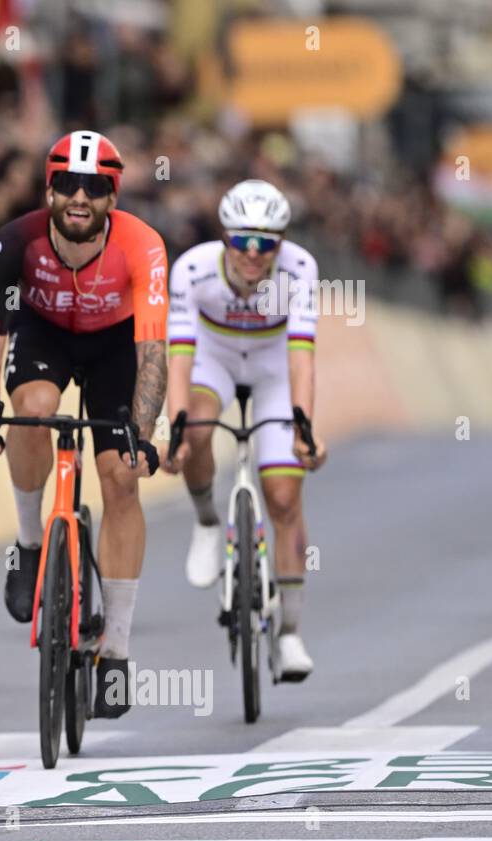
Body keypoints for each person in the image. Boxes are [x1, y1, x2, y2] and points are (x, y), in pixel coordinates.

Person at [0, 130, 168, 718]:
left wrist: (143, 435)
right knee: (30, 410)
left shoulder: (144, 245)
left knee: (121, 478)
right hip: (43, 332)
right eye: (67, 185)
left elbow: (153, 353)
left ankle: (117, 651)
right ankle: (31, 544)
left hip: (115, 345)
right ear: (48, 189)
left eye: (95, 187)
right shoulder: (14, 242)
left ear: (113, 195)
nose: (80, 197)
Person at [162, 179, 327, 681]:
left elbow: (302, 356)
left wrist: (303, 426)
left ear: (282, 242)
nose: (254, 253)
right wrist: (175, 428)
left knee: (282, 495)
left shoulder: (299, 269)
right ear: (225, 237)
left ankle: (291, 633)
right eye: (242, 241)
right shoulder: (192, 269)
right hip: (214, 358)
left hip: (273, 365)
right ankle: (209, 520)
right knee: (194, 432)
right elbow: (180, 357)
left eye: (266, 242)